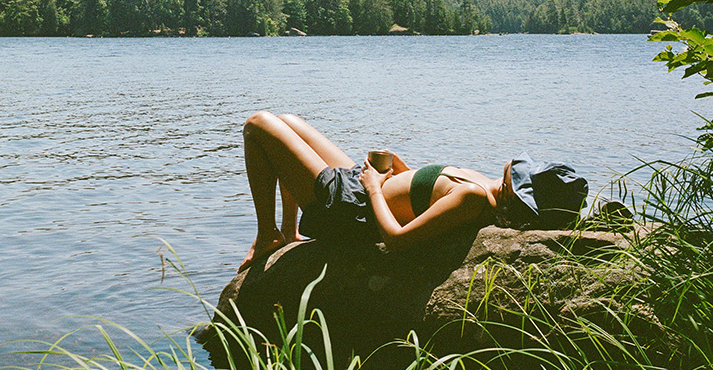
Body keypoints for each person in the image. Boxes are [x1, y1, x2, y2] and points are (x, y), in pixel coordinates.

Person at [239, 111, 587, 270]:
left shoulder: (475, 199)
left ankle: (268, 234)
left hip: (351, 208)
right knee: (287, 120)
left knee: (258, 125)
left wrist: (375, 188)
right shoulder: (485, 185)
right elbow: (422, 196)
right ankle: (288, 231)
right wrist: (403, 171)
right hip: (362, 190)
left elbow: (397, 240)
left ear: (517, 195)